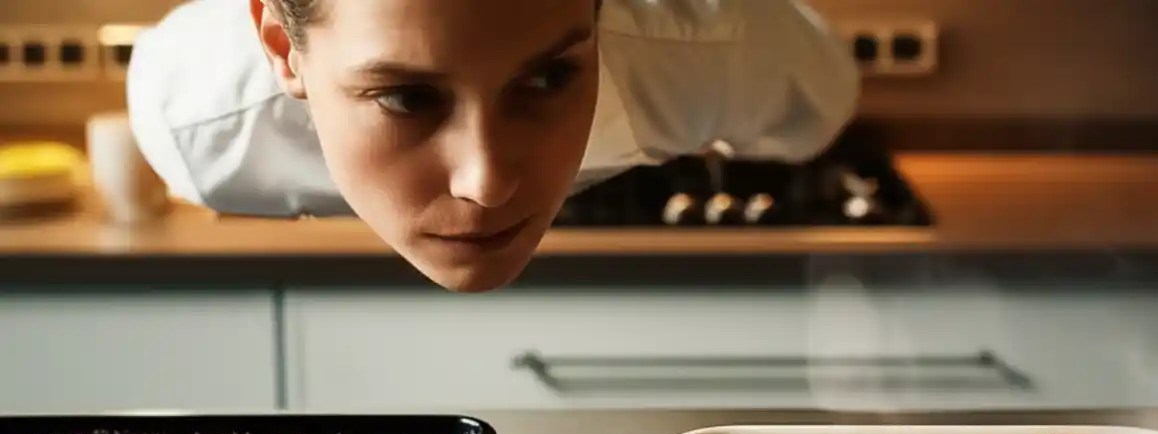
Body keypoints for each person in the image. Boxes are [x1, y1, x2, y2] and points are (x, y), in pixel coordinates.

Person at [127, 0, 860, 291]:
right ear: (282, 49)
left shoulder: (716, 50)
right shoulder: (196, 127)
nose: (488, 183)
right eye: (406, 98)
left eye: (546, 79)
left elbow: (819, 108)